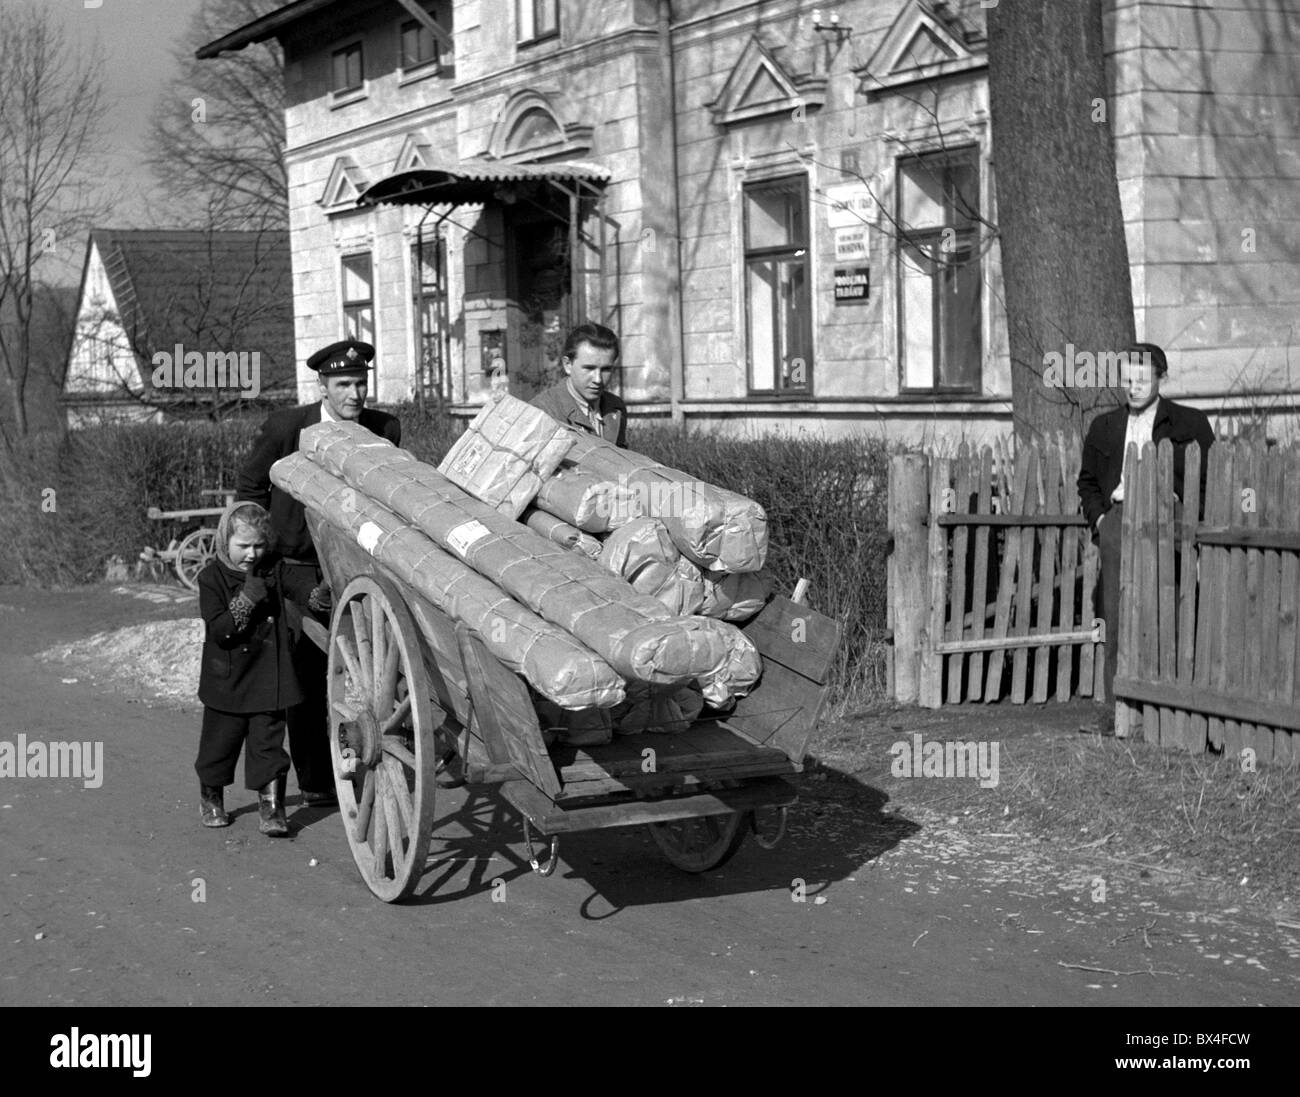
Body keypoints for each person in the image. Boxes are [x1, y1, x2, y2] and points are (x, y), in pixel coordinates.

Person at [236, 339, 401, 804]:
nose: (354, 394)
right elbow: (251, 489)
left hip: (361, 562)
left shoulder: (383, 428)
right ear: (323, 387)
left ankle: (386, 747)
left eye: (360, 383)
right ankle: (315, 782)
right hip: (297, 566)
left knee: (381, 660)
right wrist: (259, 558)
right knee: (307, 675)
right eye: (343, 384)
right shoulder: (287, 428)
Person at [1077, 341, 1214, 734]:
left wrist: (1184, 507)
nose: (1133, 386)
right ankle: (1117, 712)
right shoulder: (1104, 426)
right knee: (1116, 617)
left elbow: (1208, 483)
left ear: (1160, 377)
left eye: (1142, 378)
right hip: (1118, 522)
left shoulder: (1189, 424)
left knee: (1169, 609)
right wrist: (1102, 519)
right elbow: (1086, 483)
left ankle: (1170, 713)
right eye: (1127, 379)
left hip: (1169, 525)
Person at [196, 502, 330, 835]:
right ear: (225, 541)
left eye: (258, 545)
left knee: (268, 746)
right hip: (227, 678)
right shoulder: (211, 579)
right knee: (219, 747)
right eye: (243, 546)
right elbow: (220, 631)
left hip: (270, 677)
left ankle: (272, 808)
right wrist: (245, 601)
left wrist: (317, 596)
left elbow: (300, 589)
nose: (252, 554)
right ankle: (211, 797)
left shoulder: (276, 569)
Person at [529, 322, 628, 448]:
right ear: (568, 365)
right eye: (589, 368)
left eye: (606, 369)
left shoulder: (616, 407)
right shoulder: (542, 411)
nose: (598, 379)